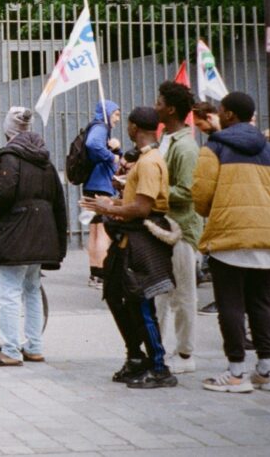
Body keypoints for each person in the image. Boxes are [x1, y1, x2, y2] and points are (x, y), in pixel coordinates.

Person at [191, 91, 270, 394]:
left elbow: (200, 196)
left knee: (231, 304)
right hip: (265, 237)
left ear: (230, 115)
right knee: (261, 302)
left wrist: (218, 210)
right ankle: (267, 369)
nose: (218, 115)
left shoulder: (214, 148)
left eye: (221, 110)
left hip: (229, 236)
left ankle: (236, 372)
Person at [81, 107, 177, 390]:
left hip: (141, 238)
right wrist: (113, 202)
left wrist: (109, 207)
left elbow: (143, 207)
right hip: (127, 238)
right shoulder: (145, 160)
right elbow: (135, 201)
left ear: (134, 128)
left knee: (141, 301)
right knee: (114, 293)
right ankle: (136, 356)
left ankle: (159, 366)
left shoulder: (149, 162)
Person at [0, 108, 65, 367]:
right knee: (32, 290)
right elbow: (58, 200)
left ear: (8, 130)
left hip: (16, 232)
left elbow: (4, 193)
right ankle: (34, 347)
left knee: (9, 292)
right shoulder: (44, 159)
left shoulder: (10, 157)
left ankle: (11, 350)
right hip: (42, 232)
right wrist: (59, 241)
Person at [155, 80, 201, 373]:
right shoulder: (169, 140)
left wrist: (154, 189)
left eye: (159, 102)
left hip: (181, 229)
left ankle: (185, 355)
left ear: (171, 109)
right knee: (160, 293)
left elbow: (187, 191)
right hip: (165, 226)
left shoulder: (185, 147)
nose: (156, 106)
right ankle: (158, 348)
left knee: (183, 294)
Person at [83, 100, 122, 287]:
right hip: (102, 186)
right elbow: (92, 145)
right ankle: (101, 273)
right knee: (102, 231)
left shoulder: (94, 127)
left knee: (94, 230)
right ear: (107, 113)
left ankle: (94, 272)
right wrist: (112, 154)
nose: (118, 118)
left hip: (91, 184)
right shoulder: (100, 128)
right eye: (116, 113)